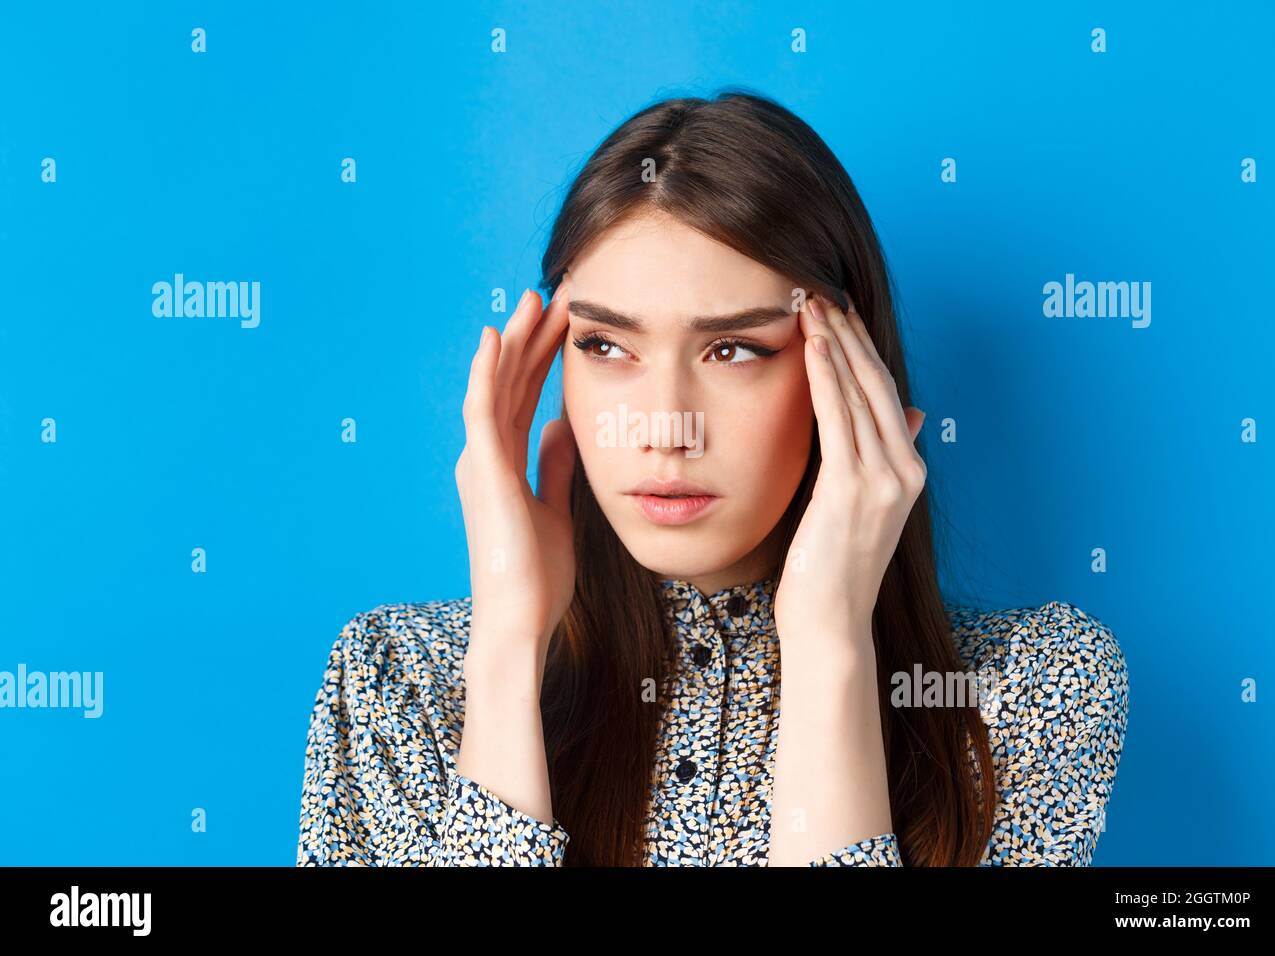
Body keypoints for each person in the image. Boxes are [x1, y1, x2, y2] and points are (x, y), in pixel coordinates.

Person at [296, 89, 1129, 867]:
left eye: (733, 349)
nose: (664, 428)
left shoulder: (1026, 693)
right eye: (607, 346)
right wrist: (509, 652)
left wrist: (829, 641)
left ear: (848, 370)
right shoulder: (398, 679)